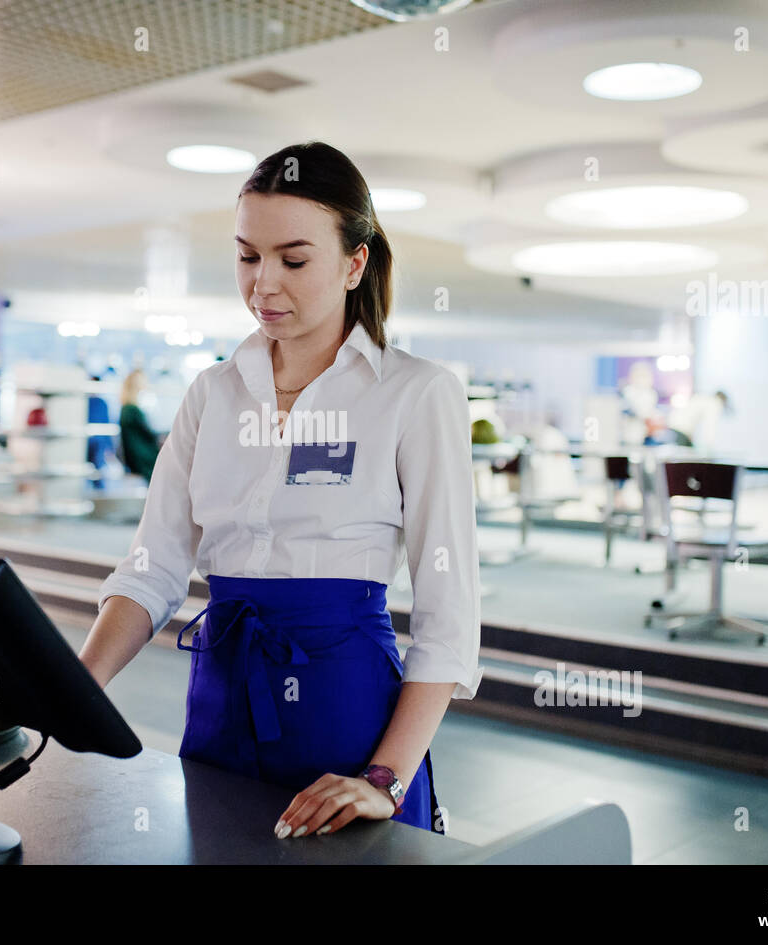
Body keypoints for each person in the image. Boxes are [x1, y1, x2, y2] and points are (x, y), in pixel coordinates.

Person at [80, 141, 482, 839]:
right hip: (219, 706)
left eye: (293, 260)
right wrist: (71, 695)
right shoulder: (212, 392)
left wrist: (384, 778)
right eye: (247, 256)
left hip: (349, 722)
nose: (264, 284)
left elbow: (449, 618)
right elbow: (153, 571)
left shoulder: (416, 393)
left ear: (355, 262)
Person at [116, 369, 160, 482]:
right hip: (142, 458)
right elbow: (148, 435)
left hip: (137, 456)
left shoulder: (127, 408)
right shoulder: (132, 410)